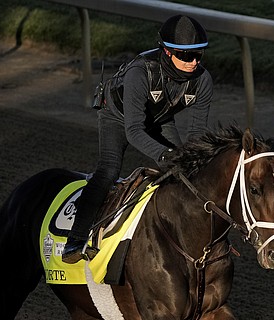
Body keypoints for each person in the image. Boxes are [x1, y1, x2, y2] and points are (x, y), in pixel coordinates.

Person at [62, 14, 214, 263]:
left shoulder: (203, 80)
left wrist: (191, 159)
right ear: (167, 52)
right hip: (117, 118)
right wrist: (164, 155)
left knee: (185, 171)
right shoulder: (140, 72)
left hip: (159, 119)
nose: (194, 62)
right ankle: (75, 240)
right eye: (186, 56)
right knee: (109, 171)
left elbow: (196, 133)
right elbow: (133, 130)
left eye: (198, 54)